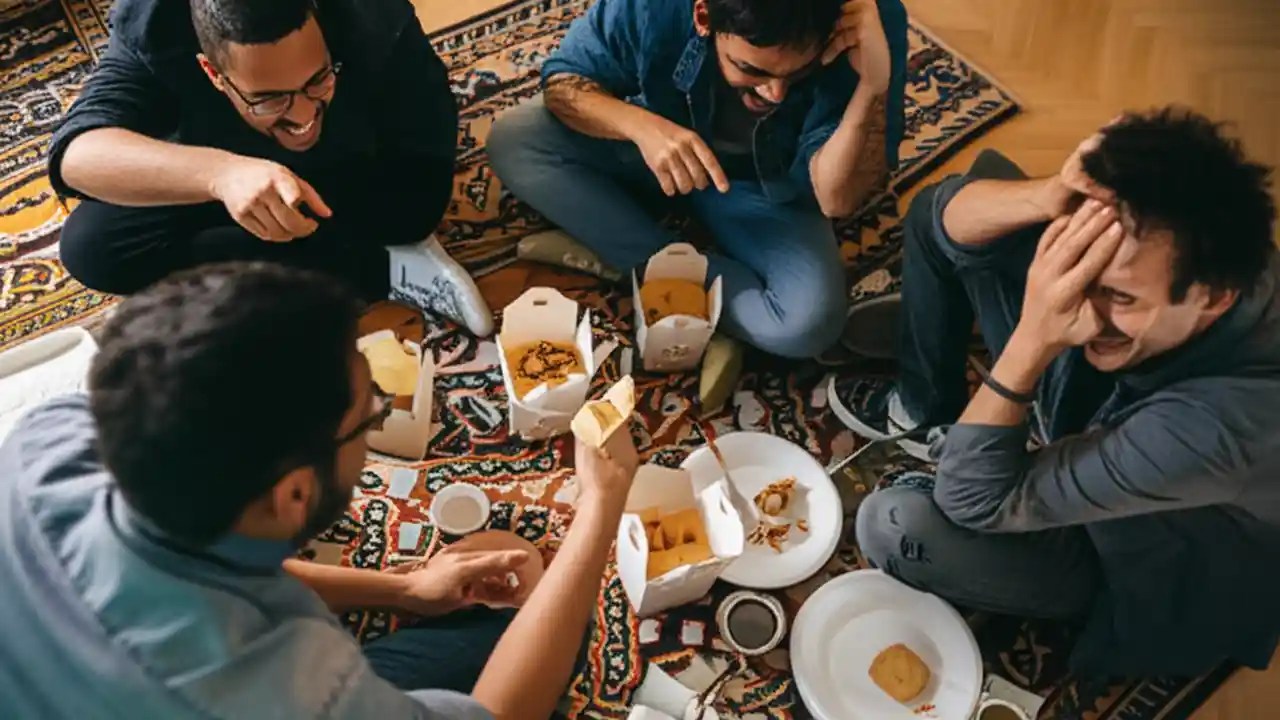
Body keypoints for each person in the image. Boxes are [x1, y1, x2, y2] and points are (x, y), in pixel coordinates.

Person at [0, 262, 640, 718]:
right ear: (294, 496)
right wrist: (598, 509)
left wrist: (403, 589)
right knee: (538, 608)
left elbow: (197, 570)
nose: (378, 418)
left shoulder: (47, 436)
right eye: (369, 415)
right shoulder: (294, 691)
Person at [837, 108, 1280, 675]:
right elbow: (938, 216)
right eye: (1076, 273)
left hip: (1141, 556)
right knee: (955, 218)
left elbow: (974, 502)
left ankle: (974, 410)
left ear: (1213, 298)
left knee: (893, 523)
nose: (1077, 307)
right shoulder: (1191, 245)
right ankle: (926, 409)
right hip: (1110, 402)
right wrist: (1048, 198)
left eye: (1119, 297)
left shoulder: (1218, 429)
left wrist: (1034, 336)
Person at [487, 0, 909, 400]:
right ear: (703, 15)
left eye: (797, 74)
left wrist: (872, 87)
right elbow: (564, 82)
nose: (775, 94)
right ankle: (699, 294)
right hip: (658, 145)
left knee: (807, 324)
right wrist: (642, 127)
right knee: (515, 140)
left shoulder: (863, 18)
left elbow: (837, 199)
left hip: (766, 189)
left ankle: (638, 269)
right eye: (751, 69)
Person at [49, 0, 492, 336]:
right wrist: (221, 174)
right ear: (213, 72)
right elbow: (77, 155)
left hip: (356, 150)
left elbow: (421, 131)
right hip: (237, 163)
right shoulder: (155, 24)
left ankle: (379, 255)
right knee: (94, 246)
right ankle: (377, 267)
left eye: (317, 78)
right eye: (269, 96)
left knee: (411, 214)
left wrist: (319, 112)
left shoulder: (371, 17)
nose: (300, 116)